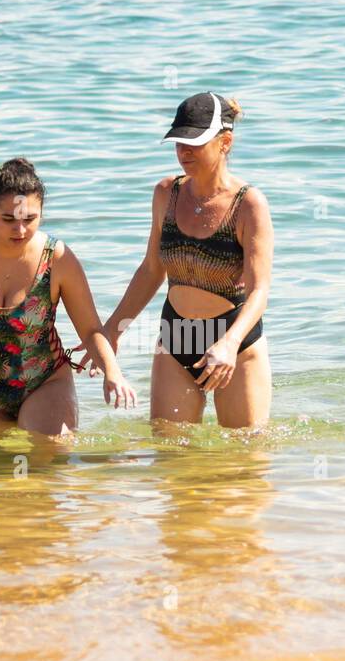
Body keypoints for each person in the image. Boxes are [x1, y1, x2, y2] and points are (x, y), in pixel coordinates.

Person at [75, 92, 274, 429]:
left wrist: (229, 344)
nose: (183, 152)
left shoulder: (248, 204)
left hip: (235, 341)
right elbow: (151, 270)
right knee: (170, 459)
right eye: (179, 142)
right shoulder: (167, 193)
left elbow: (259, 291)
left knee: (245, 465)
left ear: (225, 142)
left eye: (194, 142)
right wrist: (113, 329)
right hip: (176, 336)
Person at [0, 158, 135, 436]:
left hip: (44, 382)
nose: (20, 230)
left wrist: (113, 371)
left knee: (48, 463)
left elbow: (90, 329)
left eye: (30, 219)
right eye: (8, 220)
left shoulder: (58, 258)